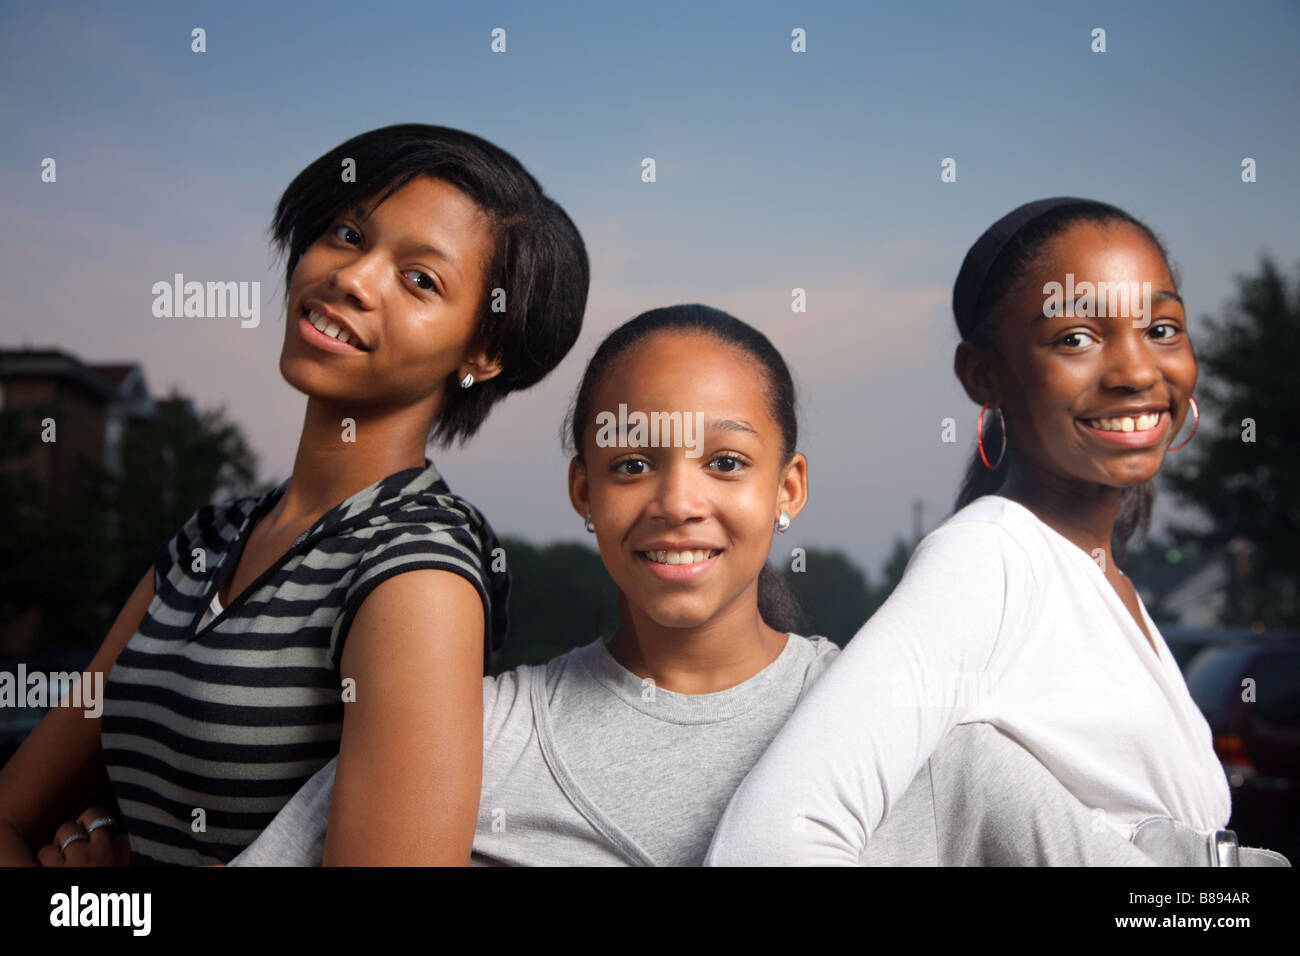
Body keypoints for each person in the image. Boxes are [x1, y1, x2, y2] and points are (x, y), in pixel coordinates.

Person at [228, 305, 1160, 867]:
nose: (680, 502)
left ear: (787, 488)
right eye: (632, 465)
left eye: (725, 461)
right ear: (583, 492)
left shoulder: (905, 734)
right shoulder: (471, 737)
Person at [0, 123, 589, 866]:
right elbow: (12, 815)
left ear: (482, 352)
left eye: (421, 279)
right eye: (347, 233)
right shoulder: (206, 541)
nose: (353, 277)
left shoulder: (417, 573)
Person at [704, 198, 1274, 866]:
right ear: (984, 376)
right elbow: (771, 841)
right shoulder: (991, 558)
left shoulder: (1101, 578)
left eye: (1162, 329)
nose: (1137, 372)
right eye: (1076, 339)